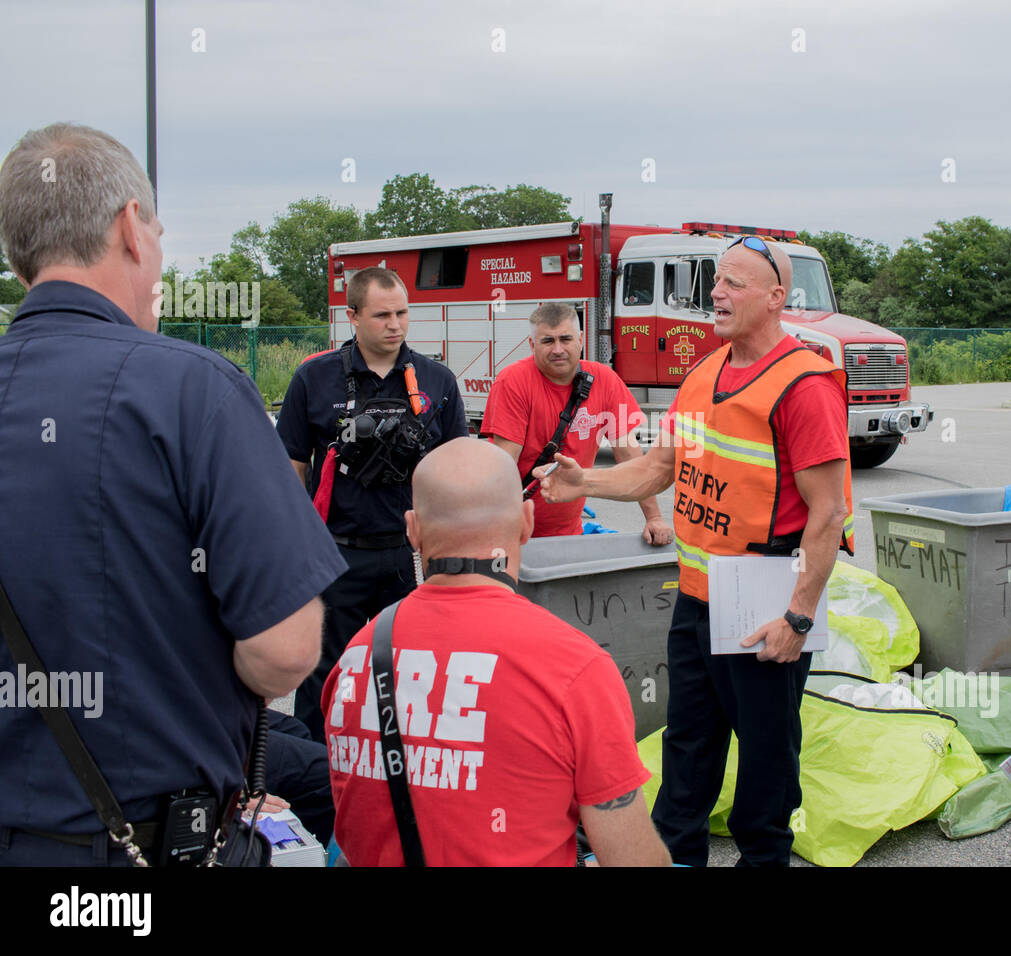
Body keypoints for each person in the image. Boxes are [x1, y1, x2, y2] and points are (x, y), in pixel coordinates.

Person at [0, 123, 346, 866]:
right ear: (131, 227)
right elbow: (284, 651)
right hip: (146, 849)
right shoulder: (195, 390)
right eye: (155, 230)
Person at [539, 235, 855, 866]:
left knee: (766, 759)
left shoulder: (806, 384)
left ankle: (763, 859)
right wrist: (586, 480)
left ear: (775, 297)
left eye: (734, 282)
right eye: (715, 280)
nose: (716, 293)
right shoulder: (702, 374)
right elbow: (658, 467)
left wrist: (797, 617)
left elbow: (831, 511)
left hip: (765, 607)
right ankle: (675, 856)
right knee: (687, 746)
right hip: (698, 600)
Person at [322, 438, 670, 866]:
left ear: (412, 530)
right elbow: (632, 858)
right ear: (526, 521)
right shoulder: (575, 669)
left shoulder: (355, 657)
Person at [276, 267, 467, 742]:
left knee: (408, 673)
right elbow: (290, 466)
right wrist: (290, 544)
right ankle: (316, 779)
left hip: (407, 555)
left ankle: (399, 775)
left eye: (403, 312)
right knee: (323, 673)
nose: (395, 324)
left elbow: (459, 467)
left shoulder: (436, 380)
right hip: (333, 553)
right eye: (382, 314)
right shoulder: (314, 378)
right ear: (352, 316)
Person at [480, 302, 671, 543]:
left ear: (580, 339)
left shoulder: (605, 380)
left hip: (569, 534)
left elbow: (630, 456)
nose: (558, 349)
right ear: (532, 345)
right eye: (548, 341)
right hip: (513, 535)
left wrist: (653, 518)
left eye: (566, 339)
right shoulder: (513, 381)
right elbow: (503, 465)